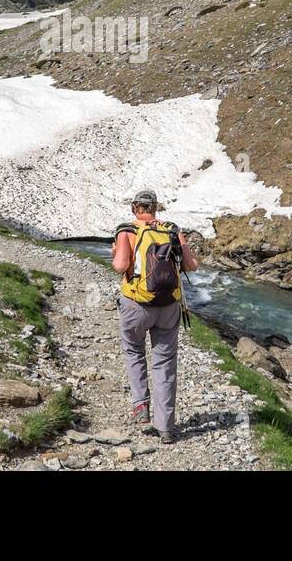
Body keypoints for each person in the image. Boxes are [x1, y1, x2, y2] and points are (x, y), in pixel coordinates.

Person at [112, 189, 199, 445]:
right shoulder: (172, 230)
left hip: (136, 305)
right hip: (169, 305)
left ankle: (141, 409)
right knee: (165, 362)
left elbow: (119, 266)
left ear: (134, 208)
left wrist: (115, 250)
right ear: (156, 208)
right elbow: (191, 265)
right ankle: (166, 428)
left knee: (134, 352)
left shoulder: (127, 230)